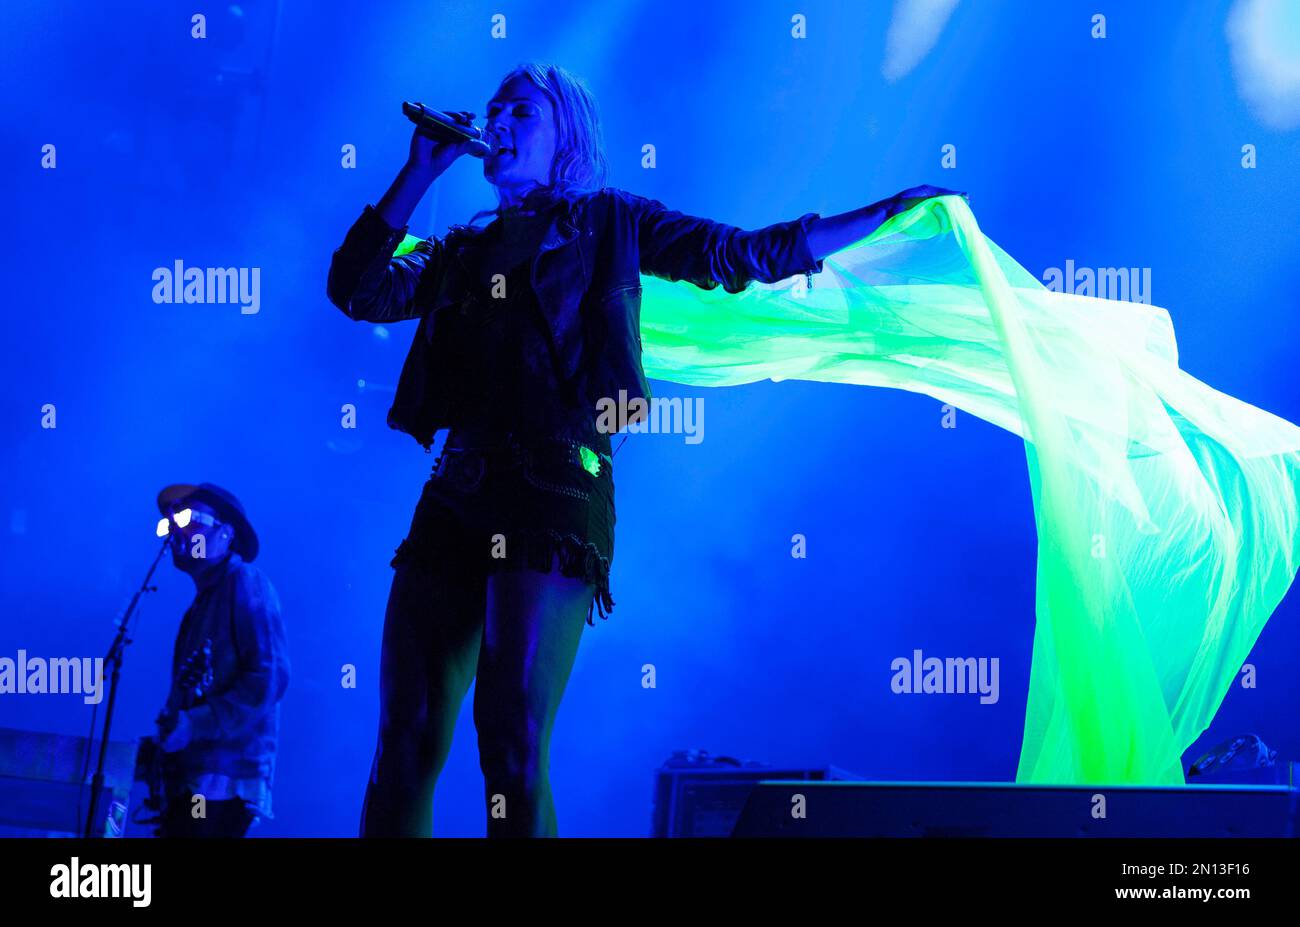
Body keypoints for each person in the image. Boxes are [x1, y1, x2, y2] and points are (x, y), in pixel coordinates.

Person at [327, 61, 960, 837]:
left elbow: (741, 255)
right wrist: (416, 172)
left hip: (554, 490)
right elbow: (359, 291)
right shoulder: (462, 249)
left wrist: (881, 214)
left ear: (566, 136)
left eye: (522, 111)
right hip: (455, 492)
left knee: (512, 740)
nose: (499, 121)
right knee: (405, 740)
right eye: (495, 109)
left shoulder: (610, 222)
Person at [153, 482, 291, 838]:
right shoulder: (198, 610)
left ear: (227, 533)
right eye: (168, 524)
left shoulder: (246, 582)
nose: (174, 530)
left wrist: (195, 724)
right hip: (195, 781)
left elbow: (270, 676)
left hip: (224, 779)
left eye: (186, 517)